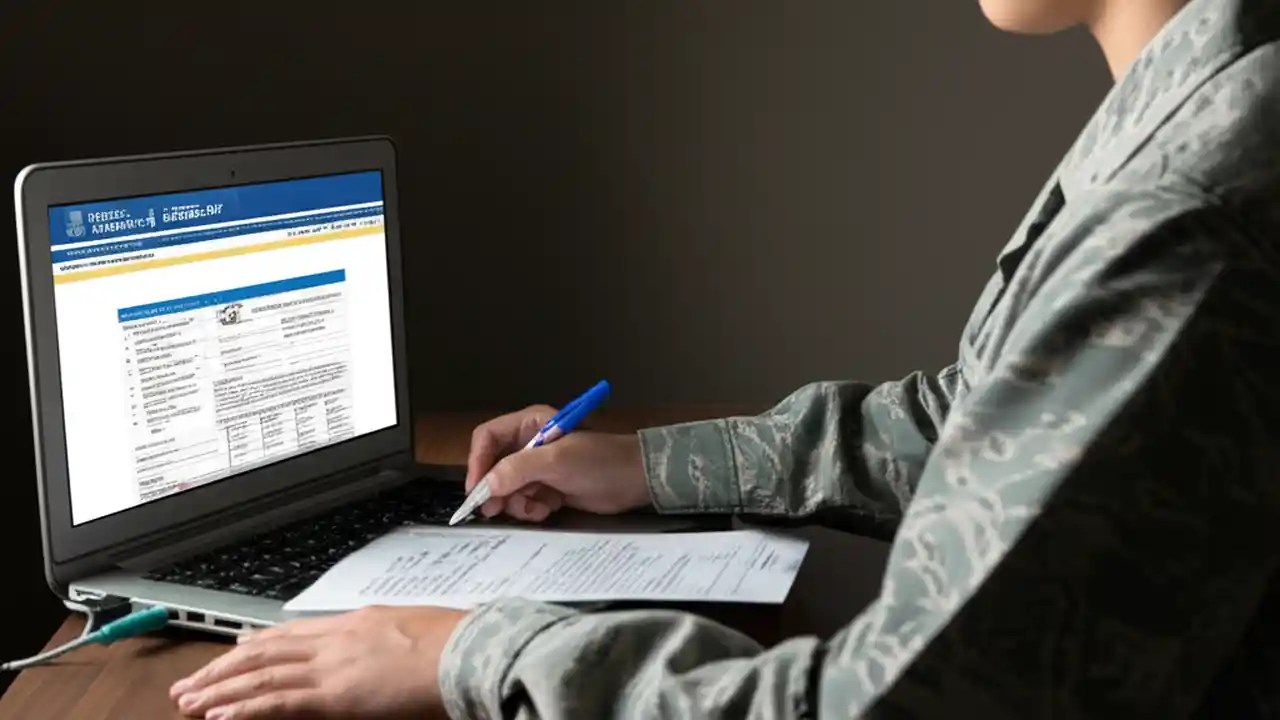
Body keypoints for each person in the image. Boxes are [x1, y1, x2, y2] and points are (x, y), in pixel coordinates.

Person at [170, 0, 1280, 717]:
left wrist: (473, 654)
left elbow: (892, 707)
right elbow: (986, 419)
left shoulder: (1189, 205)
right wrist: (650, 466)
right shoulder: (1196, 110)